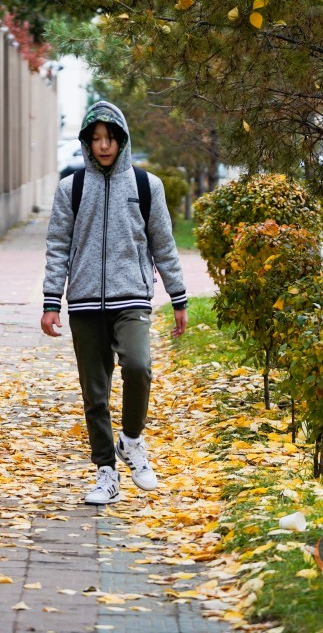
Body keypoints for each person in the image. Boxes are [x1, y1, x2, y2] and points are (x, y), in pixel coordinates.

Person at [40, 101, 188, 505]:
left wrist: (178, 296)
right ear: (87, 143)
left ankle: (131, 440)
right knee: (95, 393)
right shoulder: (71, 188)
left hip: (132, 297)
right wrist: (51, 301)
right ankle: (106, 471)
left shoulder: (146, 185)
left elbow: (163, 244)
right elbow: (57, 246)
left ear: (122, 140)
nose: (103, 146)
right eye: (96, 139)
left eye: (110, 138)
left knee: (139, 366)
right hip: (84, 302)